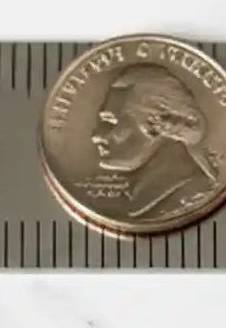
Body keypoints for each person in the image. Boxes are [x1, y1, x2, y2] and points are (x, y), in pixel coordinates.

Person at [90, 64, 218, 220]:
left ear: (159, 124)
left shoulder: (196, 191)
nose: (95, 135)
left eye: (111, 121)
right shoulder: (135, 194)